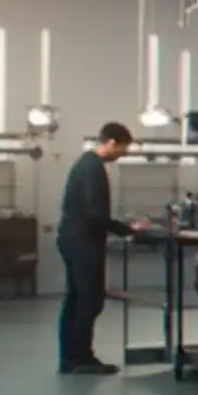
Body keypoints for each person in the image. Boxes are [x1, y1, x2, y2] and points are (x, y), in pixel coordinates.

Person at [56, 122, 144, 374]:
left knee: (75, 299)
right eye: (123, 149)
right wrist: (128, 229)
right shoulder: (93, 169)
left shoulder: (85, 165)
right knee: (89, 299)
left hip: (73, 240)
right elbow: (96, 213)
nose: (122, 155)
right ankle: (81, 358)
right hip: (83, 242)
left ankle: (70, 358)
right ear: (112, 143)